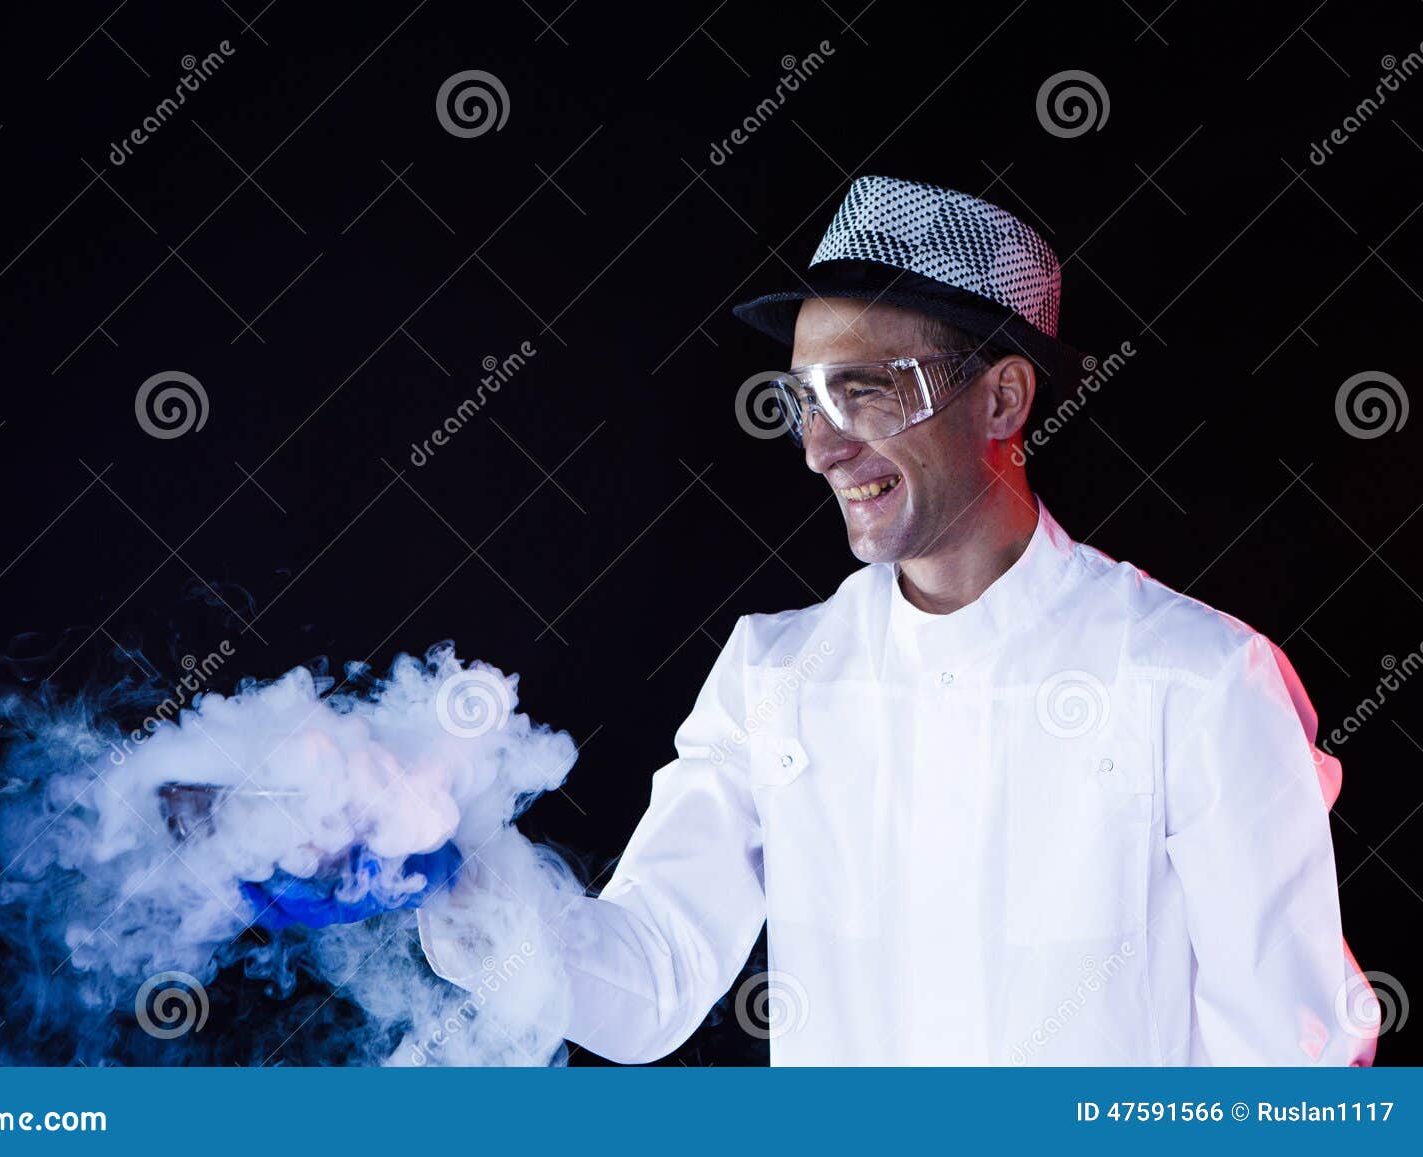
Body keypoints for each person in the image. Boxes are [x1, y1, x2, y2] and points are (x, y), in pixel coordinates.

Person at [422, 176, 1376, 1066]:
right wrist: (443, 878)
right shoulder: (775, 673)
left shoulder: (1198, 678)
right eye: (803, 400)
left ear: (1002, 398)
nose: (822, 448)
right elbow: (651, 979)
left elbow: (1290, 1060)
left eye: (865, 391)